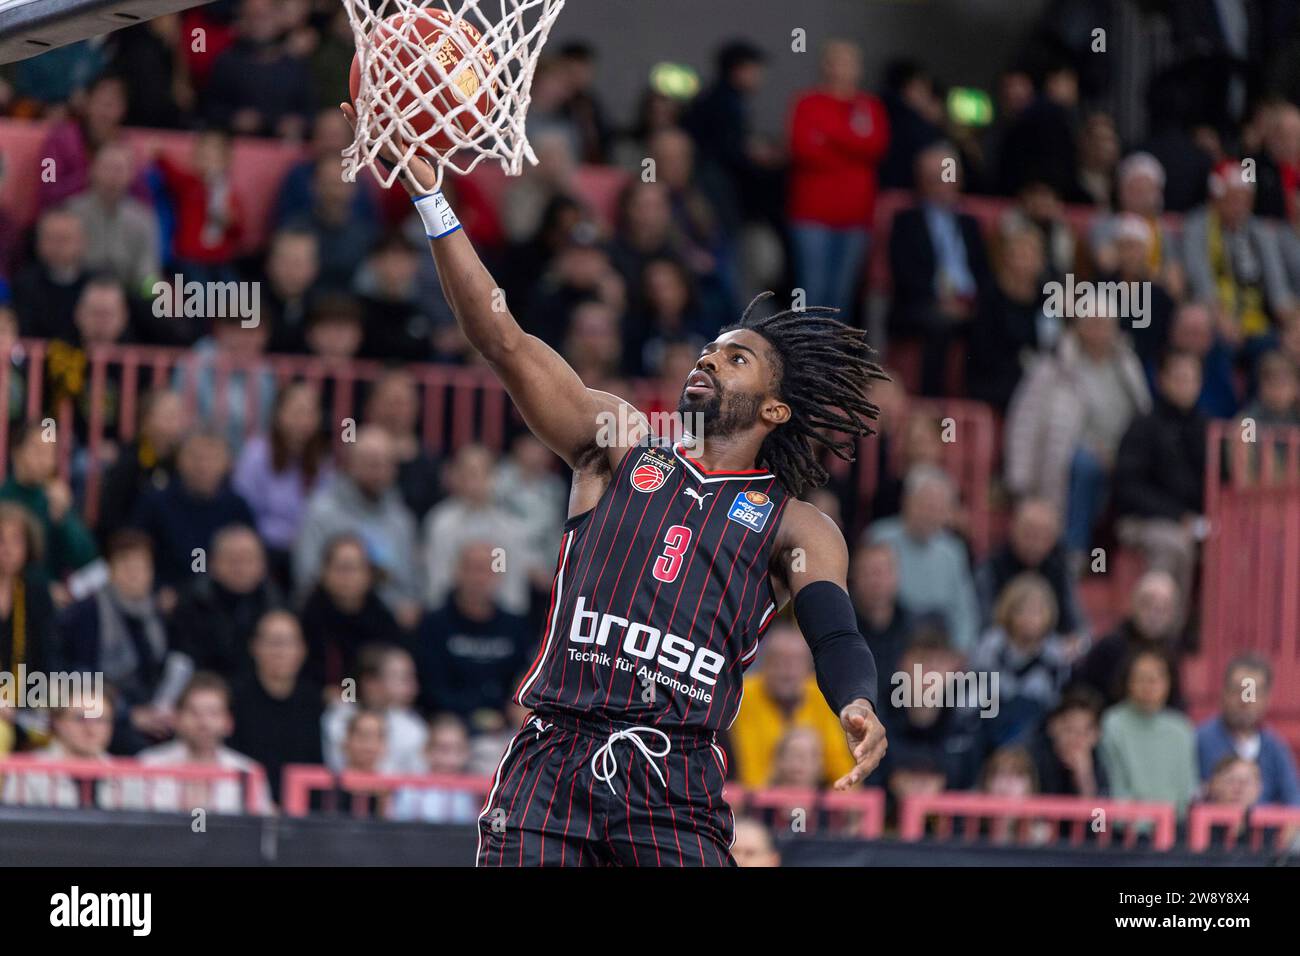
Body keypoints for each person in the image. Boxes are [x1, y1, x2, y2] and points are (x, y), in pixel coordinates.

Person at [340, 100, 887, 866]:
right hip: (554, 760)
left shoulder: (796, 526)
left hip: (676, 779)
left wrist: (855, 699)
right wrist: (433, 199)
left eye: (735, 359)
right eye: (708, 349)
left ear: (774, 406)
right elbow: (501, 338)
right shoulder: (621, 443)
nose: (706, 360)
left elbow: (834, 630)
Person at [58, 529, 189, 755]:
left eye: (142, 568)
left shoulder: (158, 614)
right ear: (110, 571)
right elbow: (75, 673)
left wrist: (162, 709)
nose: (134, 575)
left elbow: (170, 665)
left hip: (155, 710)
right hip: (102, 711)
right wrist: (128, 714)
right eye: (127, 567)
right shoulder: (85, 613)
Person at [786, 38, 889, 318]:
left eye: (848, 61)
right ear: (824, 64)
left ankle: (829, 360)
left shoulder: (869, 106)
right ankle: (804, 359)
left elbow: (876, 146)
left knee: (840, 298)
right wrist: (853, 145)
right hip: (812, 214)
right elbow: (804, 151)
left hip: (855, 216)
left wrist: (829, 135)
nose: (841, 68)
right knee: (811, 292)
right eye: (835, 60)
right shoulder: (807, 102)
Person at [293, 425, 422, 627]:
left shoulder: (401, 520)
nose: (377, 472)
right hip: (332, 616)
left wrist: (407, 606)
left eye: (384, 464)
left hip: (386, 621)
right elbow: (307, 577)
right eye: (370, 463)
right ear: (350, 464)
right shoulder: (322, 512)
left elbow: (410, 583)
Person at [1113, 350, 1209, 617]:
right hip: (1143, 521)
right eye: (1179, 377)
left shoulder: (1205, 428)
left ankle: (1211, 626)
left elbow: (1217, 482)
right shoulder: (1142, 425)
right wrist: (1178, 517)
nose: (1186, 385)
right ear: (1162, 380)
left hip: (1197, 523)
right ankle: (1162, 634)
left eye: (1192, 378)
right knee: (1174, 545)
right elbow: (1127, 488)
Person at [414, 541, 532, 722]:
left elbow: (524, 679)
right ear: (457, 572)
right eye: (472, 569)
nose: (479, 578)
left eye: (486, 570)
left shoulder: (515, 626)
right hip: (447, 723)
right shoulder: (433, 624)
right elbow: (430, 688)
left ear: (498, 576)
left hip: (504, 724)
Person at [728, 625, 858, 790]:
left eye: (796, 662)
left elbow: (842, 770)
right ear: (763, 664)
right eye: (778, 661)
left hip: (813, 804)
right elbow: (751, 776)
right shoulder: (744, 695)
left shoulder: (823, 695)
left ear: (810, 668)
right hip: (756, 805)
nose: (787, 670)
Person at [866, 465, 980, 651]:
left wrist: (960, 653)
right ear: (907, 502)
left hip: (938, 645)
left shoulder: (953, 551)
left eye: (938, 508)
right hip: (889, 641)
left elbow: (964, 612)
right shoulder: (880, 537)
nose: (931, 514)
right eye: (925, 505)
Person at [128, 430, 256, 591]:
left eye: (213, 458)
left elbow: (253, 561)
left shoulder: (236, 506)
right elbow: (135, 552)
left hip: (222, 600)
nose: (203, 466)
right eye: (196, 457)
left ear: (228, 463)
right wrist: (158, 588)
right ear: (180, 460)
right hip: (166, 596)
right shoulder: (156, 503)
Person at [232, 381, 330, 586]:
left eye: (309, 413)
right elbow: (243, 509)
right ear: (278, 414)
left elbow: (323, 513)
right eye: (296, 411)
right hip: (263, 549)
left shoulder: (322, 462)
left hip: (306, 550)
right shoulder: (256, 453)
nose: (302, 420)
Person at [136, 672, 273, 815]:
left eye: (213, 713)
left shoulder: (248, 772)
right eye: (194, 712)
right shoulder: (147, 763)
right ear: (176, 719)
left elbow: (263, 831)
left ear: (229, 722)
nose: (203, 723)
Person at [227, 610, 323, 805]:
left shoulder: (314, 701)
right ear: (254, 647)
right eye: (273, 643)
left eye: (288, 643)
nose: (281, 652)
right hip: (245, 808)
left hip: (303, 813)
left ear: (302, 650)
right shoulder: (234, 698)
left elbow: (318, 763)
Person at [168, 524, 285, 679]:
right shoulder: (192, 603)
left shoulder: (274, 602)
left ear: (263, 565)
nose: (241, 567)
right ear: (213, 563)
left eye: (249, 559)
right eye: (233, 559)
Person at [297, 533, 405, 689]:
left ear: (369, 574)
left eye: (354, 568)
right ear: (324, 572)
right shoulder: (308, 618)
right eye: (341, 568)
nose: (347, 577)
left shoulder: (382, 619)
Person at [1098, 648, 1199, 815]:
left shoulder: (1181, 728)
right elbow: (1114, 784)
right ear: (1128, 682)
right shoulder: (1113, 723)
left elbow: (1187, 788)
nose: (1148, 686)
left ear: (1168, 683)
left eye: (1155, 679)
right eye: (1140, 679)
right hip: (1126, 827)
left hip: (1174, 827)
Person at [1072, 569, 1186, 708]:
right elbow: (1084, 694)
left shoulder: (1172, 650)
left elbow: (1175, 703)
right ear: (1133, 604)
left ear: (1173, 614)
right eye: (1148, 603)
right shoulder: (1109, 646)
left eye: (1164, 607)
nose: (1155, 613)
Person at [1196, 655, 1300, 806]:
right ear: (1223, 692)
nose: (1244, 700)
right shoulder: (1199, 740)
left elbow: (1294, 802)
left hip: (1265, 829)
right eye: (1238, 690)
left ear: (1267, 698)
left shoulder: (1275, 747)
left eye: (1253, 692)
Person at [974, 498, 1086, 639]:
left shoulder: (1059, 570)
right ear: (1013, 529)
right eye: (1029, 532)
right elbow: (984, 624)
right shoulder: (991, 568)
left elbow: (1078, 626)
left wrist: (1074, 642)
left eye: (1043, 535)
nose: (1035, 542)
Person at [321, 643, 426, 774]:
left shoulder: (412, 728)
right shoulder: (338, 718)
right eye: (399, 677)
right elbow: (337, 769)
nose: (412, 686)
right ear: (370, 682)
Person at [1028, 688, 1109, 798]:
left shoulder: (1103, 761)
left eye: (1085, 732)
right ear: (1053, 727)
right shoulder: (1032, 759)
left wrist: (1084, 776)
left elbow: (1095, 812)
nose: (1077, 740)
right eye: (1069, 729)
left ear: (1097, 735)